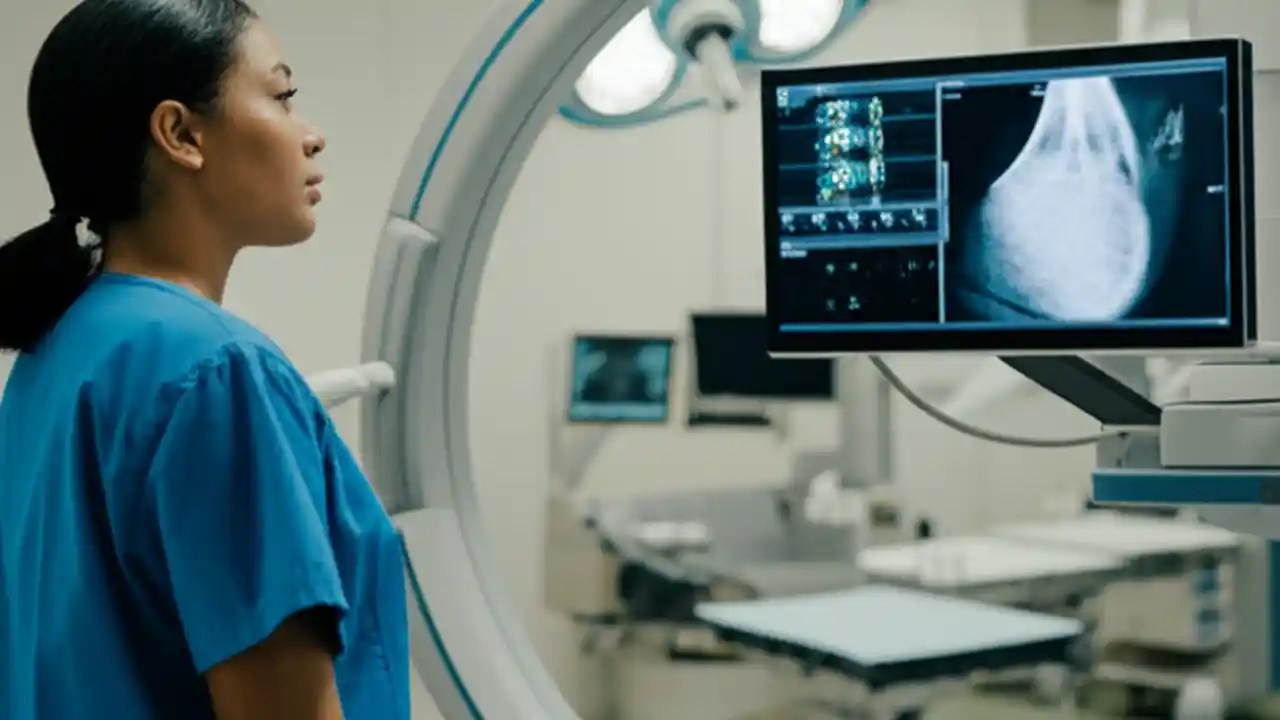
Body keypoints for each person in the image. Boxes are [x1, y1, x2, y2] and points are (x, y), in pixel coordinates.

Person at [0, 2, 408, 719]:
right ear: (181, 134)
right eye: (282, 97)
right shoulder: (218, 370)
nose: (311, 136)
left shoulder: (60, 346)